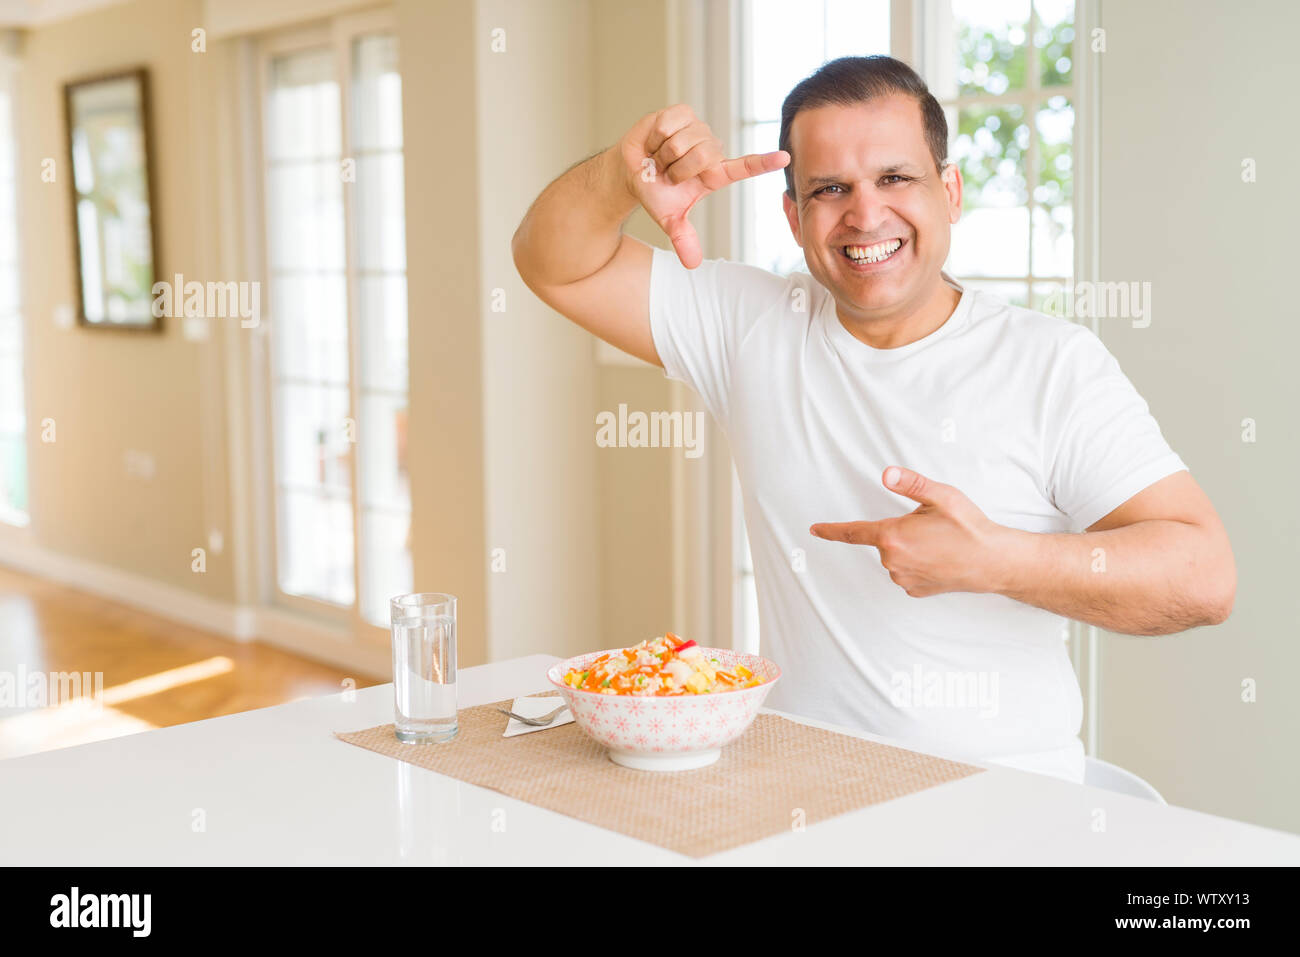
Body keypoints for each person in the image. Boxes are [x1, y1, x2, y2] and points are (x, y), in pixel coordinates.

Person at [511, 54, 1236, 783]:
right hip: (802, 791)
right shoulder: (750, 325)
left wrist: (994, 559)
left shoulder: (1052, 363)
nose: (865, 214)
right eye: (830, 189)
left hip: (1013, 801)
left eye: (895, 178)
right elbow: (555, 263)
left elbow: (1204, 576)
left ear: (948, 192)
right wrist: (619, 175)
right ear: (794, 217)